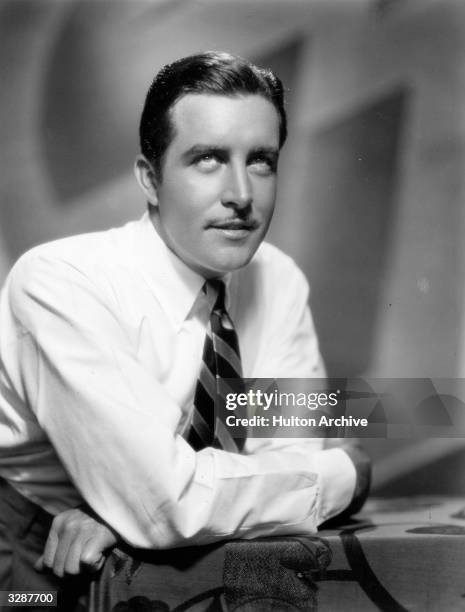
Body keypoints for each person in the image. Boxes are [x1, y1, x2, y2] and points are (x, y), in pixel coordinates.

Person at [0, 52, 370, 604]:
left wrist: (130, 509)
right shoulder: (59, 282)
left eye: (262, 160)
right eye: (208, 159)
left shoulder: (279, 278)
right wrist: (346, 475)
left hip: (141, 532)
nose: (242, 194)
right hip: (36, 543)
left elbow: (282, 454)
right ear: (150, 178)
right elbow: (170, 503)